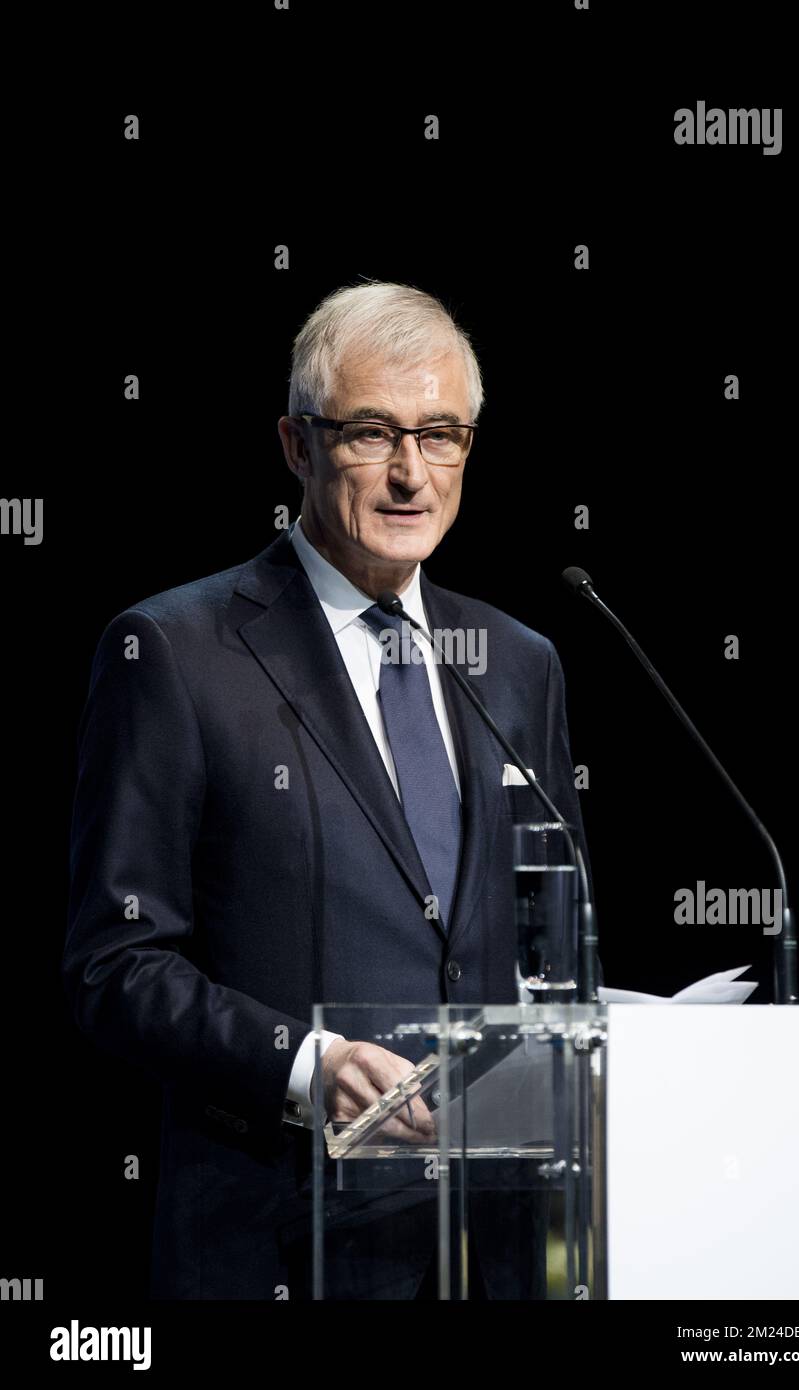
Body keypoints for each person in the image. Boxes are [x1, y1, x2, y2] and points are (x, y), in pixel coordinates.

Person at [63, 280, 592, 1299]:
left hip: (490, 1248)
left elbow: (551, 944)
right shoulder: (176, 652)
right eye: (370, 433)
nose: (409, 474)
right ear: (297, 445)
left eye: (439, 434)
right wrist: (304, 1066)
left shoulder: (519, 665)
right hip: (275, 1239)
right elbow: (113, 965)